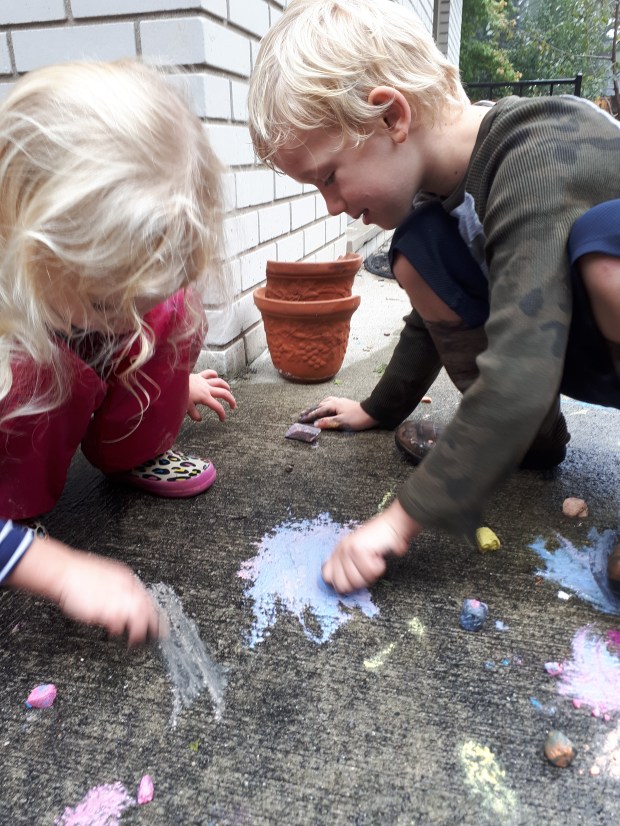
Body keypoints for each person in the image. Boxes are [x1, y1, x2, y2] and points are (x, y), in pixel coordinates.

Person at [248, 0, 620, 594]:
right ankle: (525, 440)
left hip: (582, 325)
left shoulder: (535, 153)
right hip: (572, 346)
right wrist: (379, 409)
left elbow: (519, 371)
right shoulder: (439, 197)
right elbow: (431, 319)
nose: (332, 205)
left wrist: (399, 520)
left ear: (391, 115)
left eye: (327, 177)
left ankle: (510, 427)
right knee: (415, 249)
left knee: (607, 246)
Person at [0, 59, 236, 643]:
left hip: (49, 321)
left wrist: (174, 389)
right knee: (33, 366)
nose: (132, 325)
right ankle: (16, 505)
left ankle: (134, 451)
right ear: (31, 248)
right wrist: (54, 570)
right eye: (109, 303)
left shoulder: (89, 294)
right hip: (23, 365)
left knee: (172, 316)